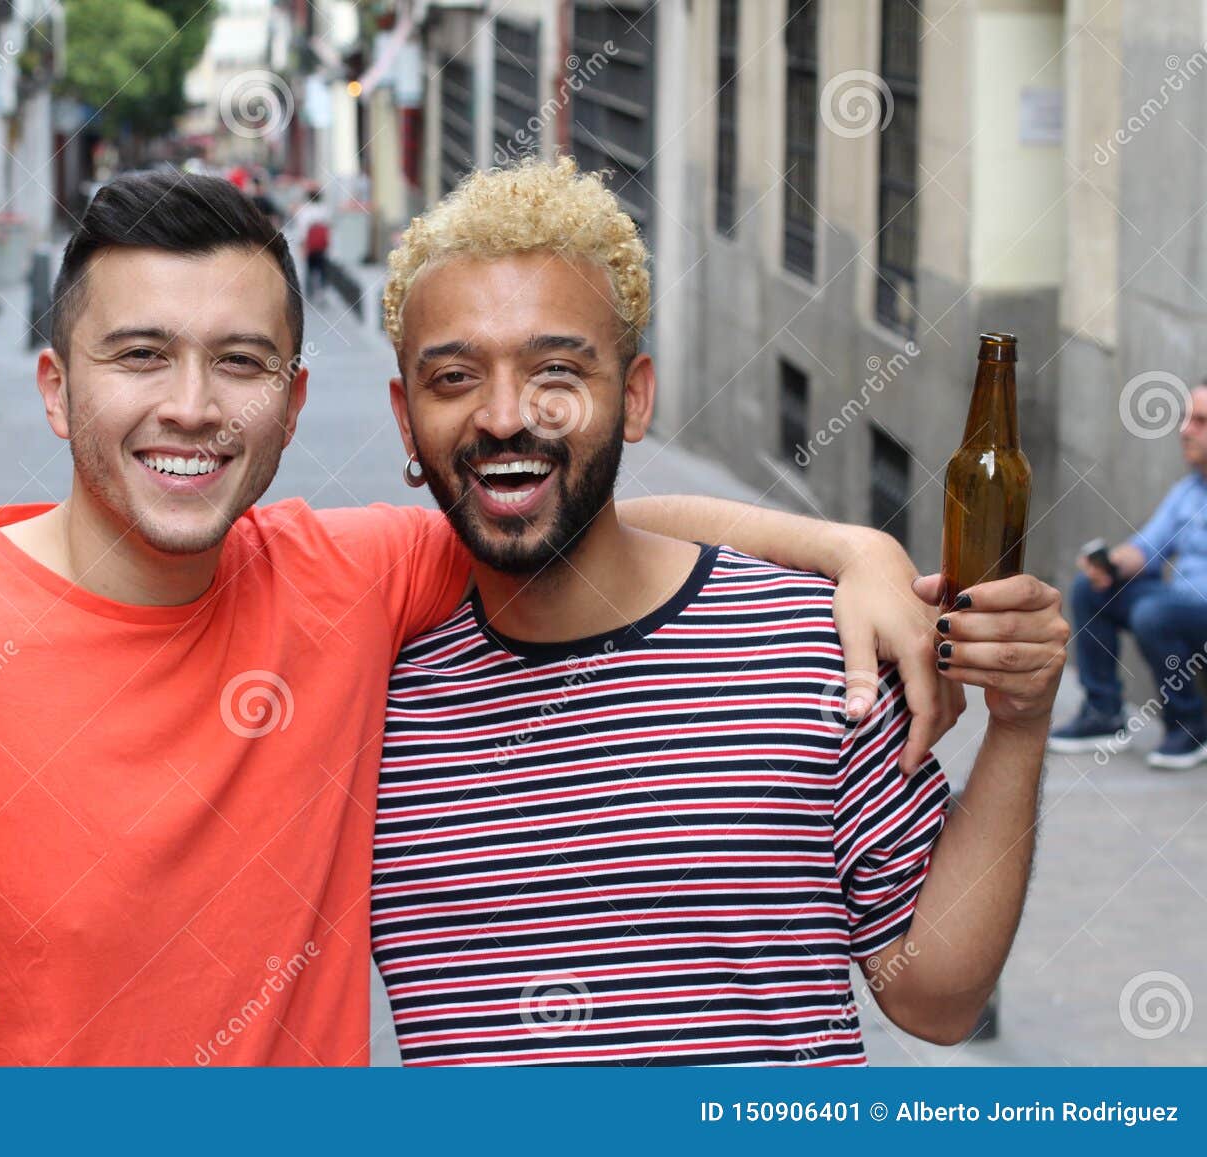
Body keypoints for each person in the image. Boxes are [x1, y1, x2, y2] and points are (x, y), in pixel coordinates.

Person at [0, 172, 948, 1066]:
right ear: (54, 388)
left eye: (238, 361)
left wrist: (853, 547)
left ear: (295, 405)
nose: (193, 403)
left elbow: (580, 522)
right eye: (141, 355)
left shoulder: (347, 575)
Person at [371, 158, 1068, 1065]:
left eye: (557, 370)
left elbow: (937, 998)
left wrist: (1020, 724)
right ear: (404, 416)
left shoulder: (817, 647)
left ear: (634, 397)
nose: (507, 414)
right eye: (455, 376)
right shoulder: (368, 694)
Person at [1049, 380, 1207, 769]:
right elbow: (1147, 549)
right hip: (1179, 604)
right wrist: (1111, 565)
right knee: (1091, 587)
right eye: (1186, 419)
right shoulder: (1189, 490)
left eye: (1201, 421)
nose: (1184, 430)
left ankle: (1189, 727)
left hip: (1190, 607)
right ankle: (1103, 714)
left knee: (1153, 613)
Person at [287, 190, 331, 304]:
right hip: (321, 245)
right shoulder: (324, 210)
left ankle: (310, 292)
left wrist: (302, 246)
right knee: (321, 268)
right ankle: (321, 292)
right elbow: (329, 227)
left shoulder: (305, 211)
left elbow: (302, 229)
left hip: (310, 244)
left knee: (309, 268)